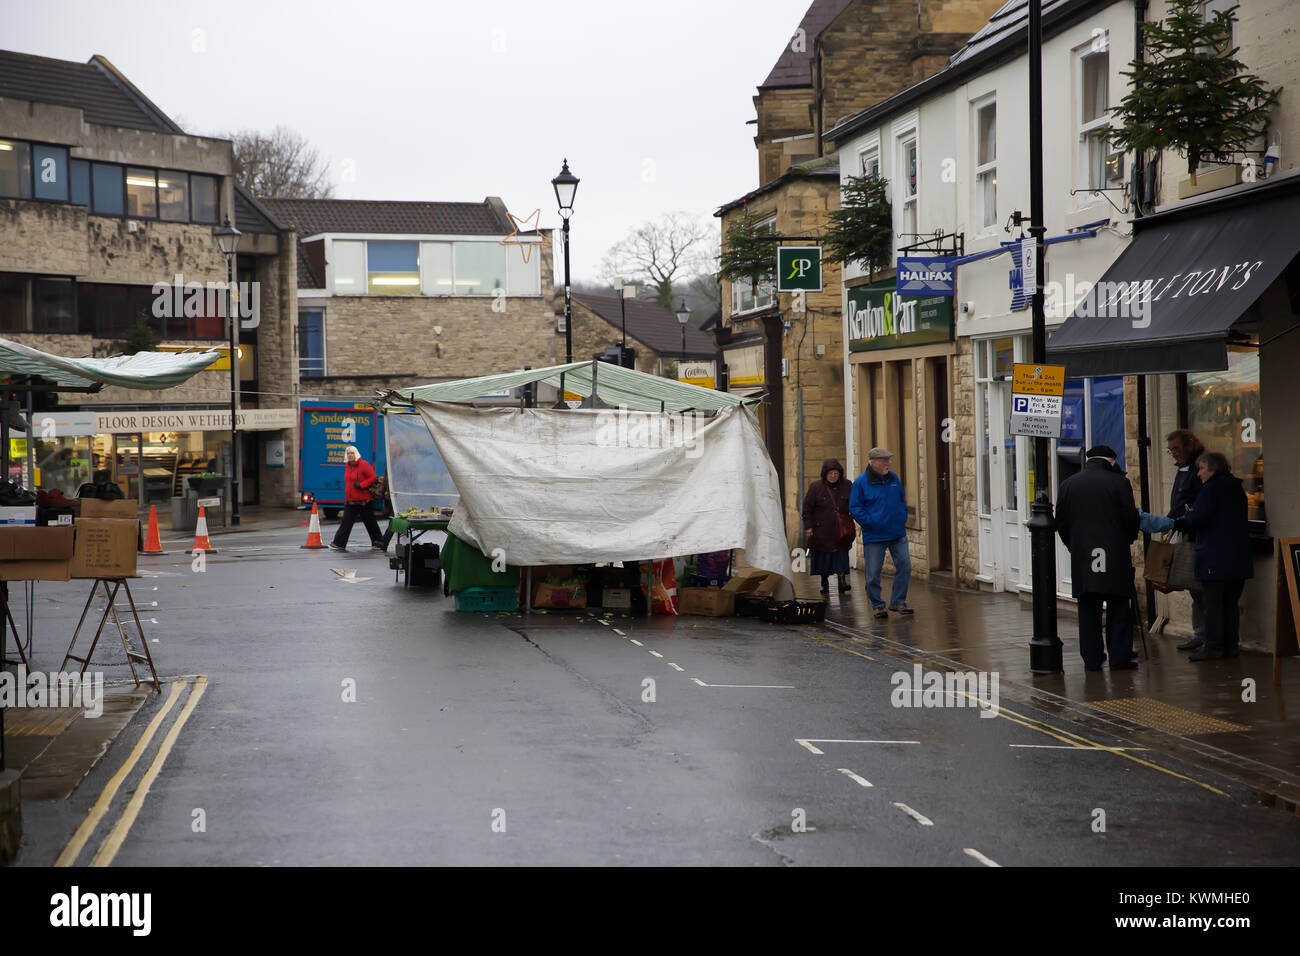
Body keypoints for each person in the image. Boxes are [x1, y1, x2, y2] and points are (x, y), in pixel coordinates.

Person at [1056, 445, 1141, 671]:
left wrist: (1073, 546)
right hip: (1115, 555)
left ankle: (1092, 659)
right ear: (1111, 462)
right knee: (1119, 607)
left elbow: (1061, 523)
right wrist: (1128, 540)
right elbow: (1131, 519)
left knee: (1088, 609)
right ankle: (1119, 656)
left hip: (1083, 556)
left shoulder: (1068, 484)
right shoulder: (1119, 483)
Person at [1168, 452, 1251, 661]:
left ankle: (1213, 647)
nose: (1199, 474)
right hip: (1238, 556)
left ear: (1213, 468)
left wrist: (1179, 521)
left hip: (1215, 556)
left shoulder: (1211, 488)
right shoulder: (1236, 488)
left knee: (1212, 604)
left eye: (1202, 469)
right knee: (1230, 604)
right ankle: (1230, 646)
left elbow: (1198, 517)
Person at [849, 447, 911, 619]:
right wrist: (871, 523)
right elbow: (855, 508)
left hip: (897, 533)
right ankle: (877, 604)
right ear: (873, 462)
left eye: (888, 460)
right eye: (884, 460)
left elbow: (901, 499)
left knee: (905, 566)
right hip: (875, 535)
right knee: (873, 573)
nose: (888, 463)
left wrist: (902, 516)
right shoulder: (861, 482)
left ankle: (898, 601)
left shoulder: (893, 479)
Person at [1165, 429, 1206, 651]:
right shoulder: (1183, 468)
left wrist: (1179, 519)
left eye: (1177, 449)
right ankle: (1200, 634)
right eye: (1171, 451)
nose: (1174, 454)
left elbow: (1197, 504)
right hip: (1187, 532)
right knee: (1195, 588)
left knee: (1202, 589)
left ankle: (1207, 636)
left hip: (1198, 535)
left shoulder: (1199, 467)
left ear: (1189, 445)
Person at [802, 458, 854, 595]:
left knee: (841, 554)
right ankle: (824, 583)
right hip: (821, 531)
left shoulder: (847, 485)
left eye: (836, 473)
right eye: (830, 473)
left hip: (840, 530)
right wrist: (808, 527)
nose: (833, 476)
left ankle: (842, 582)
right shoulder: (816, 487)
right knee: (823, 557)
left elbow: (854, 504)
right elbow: (807, 508)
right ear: (825, 474)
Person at [330, 445, 384, 552]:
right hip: (351, 501)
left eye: (352, 453)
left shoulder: (364, 464)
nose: (350, 455)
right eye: (348, 453)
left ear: (356, 454)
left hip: (364, 501)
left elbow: (373, 477)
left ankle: (378, 542)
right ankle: (339, 543)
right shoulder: (348, 466)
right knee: (346, 522)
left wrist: (362, 484)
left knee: (370, 523)